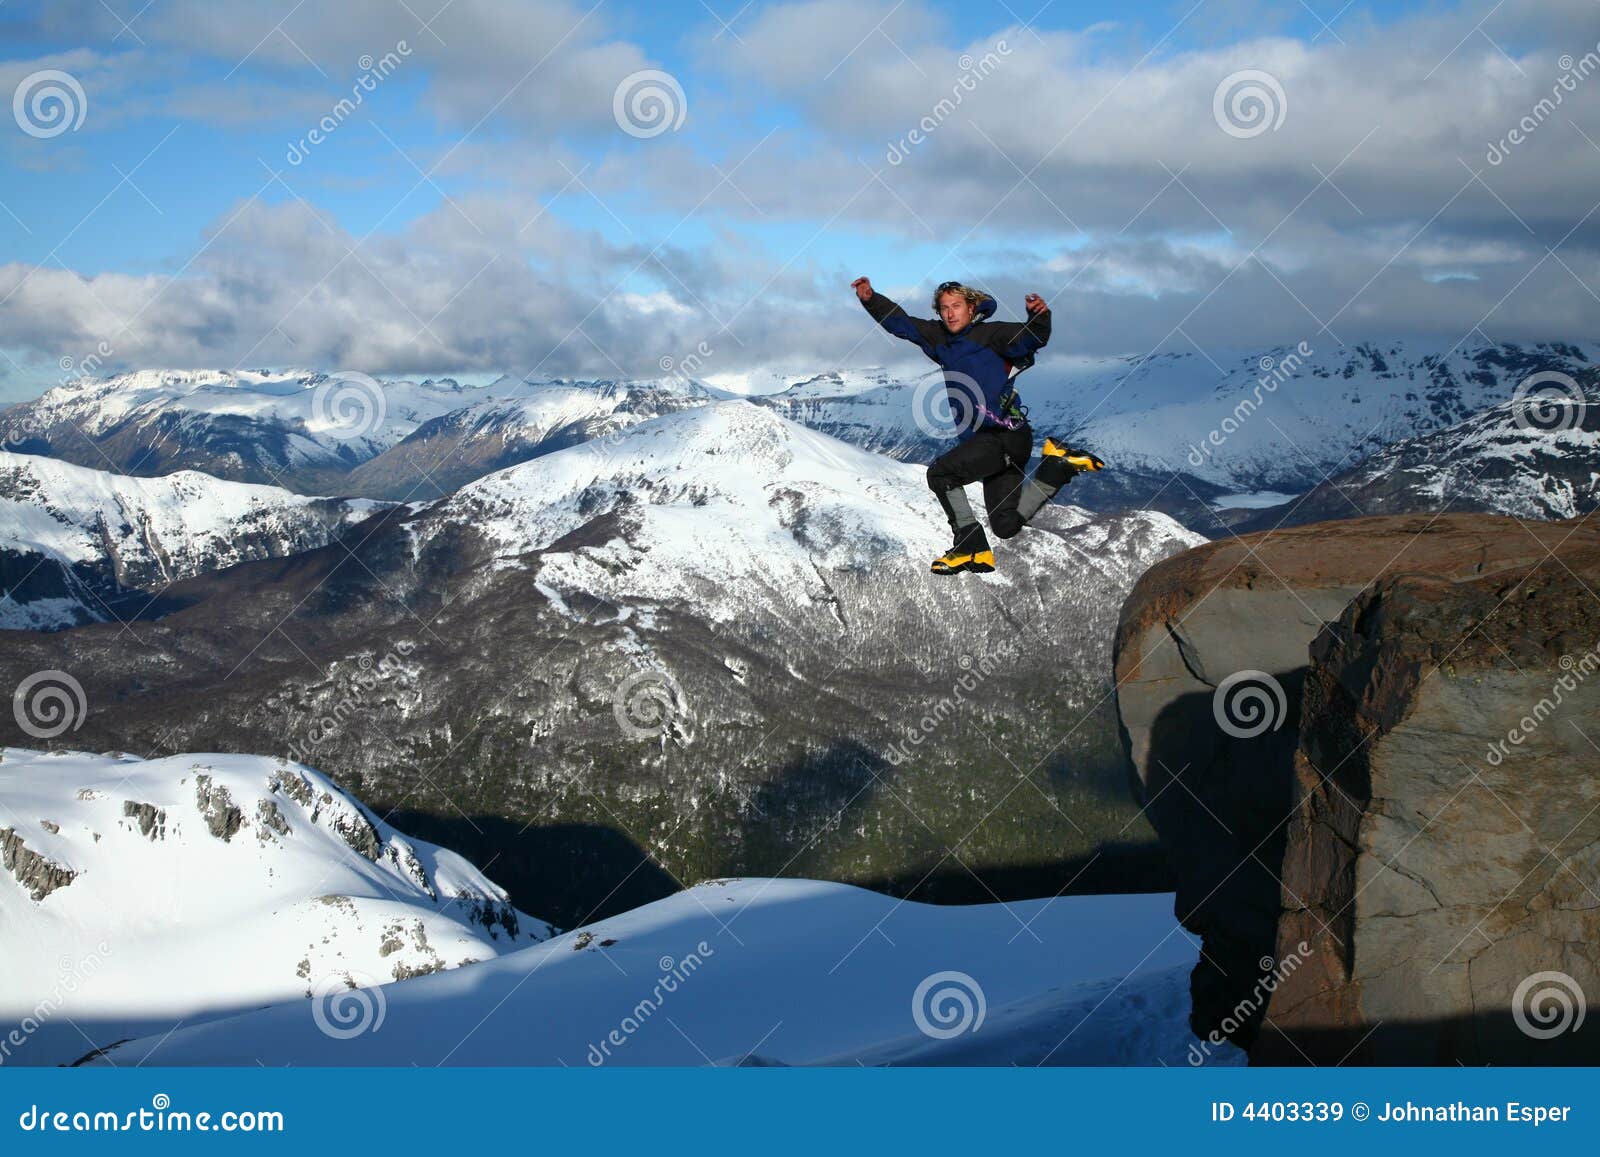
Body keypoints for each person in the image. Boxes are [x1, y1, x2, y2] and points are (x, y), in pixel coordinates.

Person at [852, 276, 1104, 574]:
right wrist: (870, 299)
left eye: (956, 306)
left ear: (972, 308)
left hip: (1002, 437)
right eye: (944, 307)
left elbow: (1031, 338)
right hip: (997, 442)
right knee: (1005, 525)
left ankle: (969, 545)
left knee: (941, 474)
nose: (950, 313)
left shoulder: (993, 334)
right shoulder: (939, 337)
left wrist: (1039, 316)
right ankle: (1057, 468)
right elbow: (902, 323)